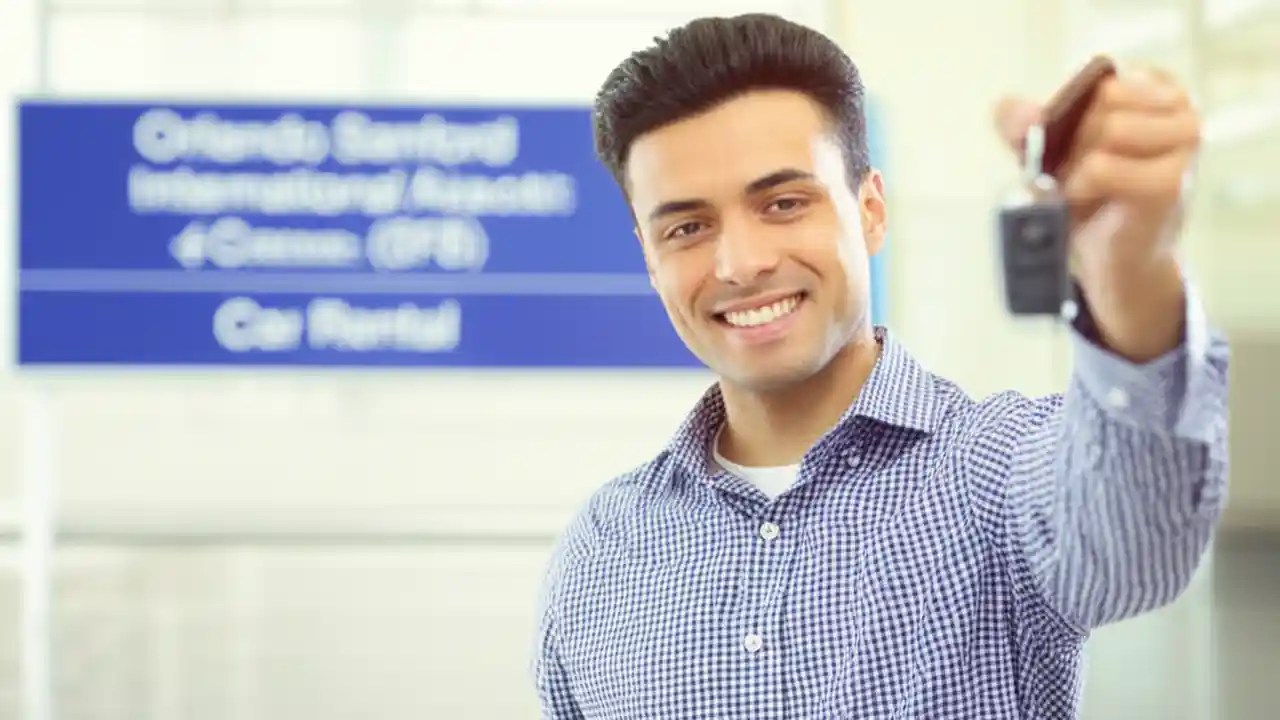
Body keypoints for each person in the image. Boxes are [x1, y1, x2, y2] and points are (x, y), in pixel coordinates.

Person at [532, 12, 1228, 719]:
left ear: (868, 211)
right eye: (686, 228)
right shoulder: (603, 551)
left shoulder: (1000, 473)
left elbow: (1137, 545)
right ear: (650, 259)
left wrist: (1129, 277)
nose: (740, 263)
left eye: (782, 203)